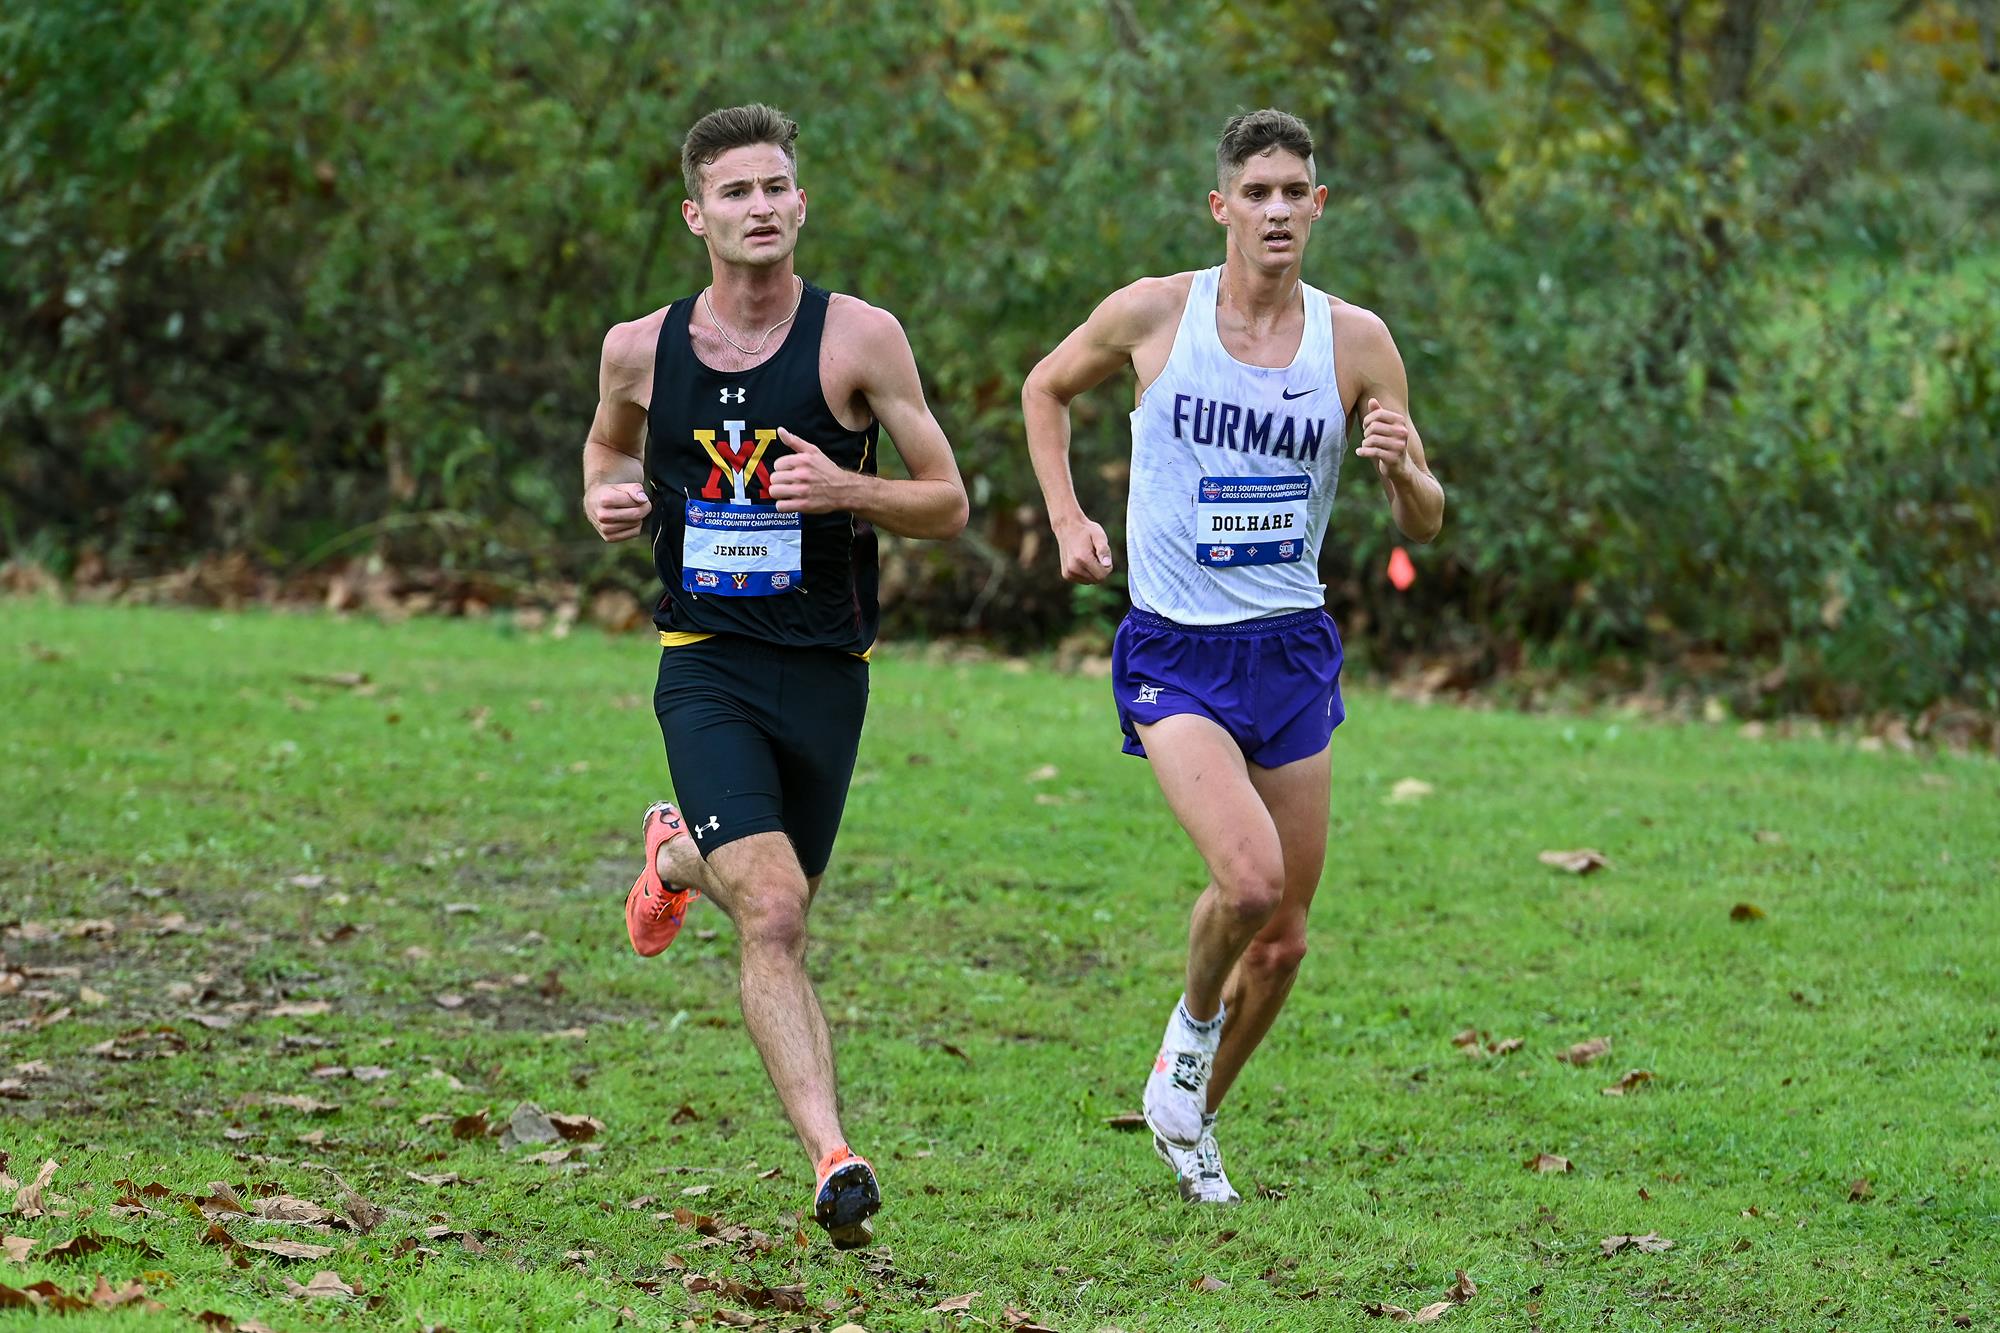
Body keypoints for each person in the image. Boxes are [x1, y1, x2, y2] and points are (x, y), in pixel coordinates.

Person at [1021, 109, 1444, 1204]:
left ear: (1317, 206)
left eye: (1291, 191)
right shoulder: (1156, 315)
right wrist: (1067, 519)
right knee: (1247, 880)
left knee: (1285, 944)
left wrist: (1401, 471)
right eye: (1252, 192)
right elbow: (1042, 389)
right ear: (1221, 208)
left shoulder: (1354, 342)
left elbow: (1426, 523)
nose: (1273, 210)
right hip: (1176, 651)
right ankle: (1186, 1037)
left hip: (1290, 649)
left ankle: (1188, 1118)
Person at [581, 103, 968, 1248]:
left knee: (770, 891)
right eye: (735, 192)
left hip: (827, 668)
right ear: (696, 214)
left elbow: (947, 502)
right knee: (779, 910)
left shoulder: (859, 341)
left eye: (775, 188)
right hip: (705, 661)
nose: (759, 208)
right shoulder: (636, 347)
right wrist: (604, 496)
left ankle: (671, 853)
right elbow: (607, 449)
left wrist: (850, 492)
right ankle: (830, 1156)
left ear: (801, 203)